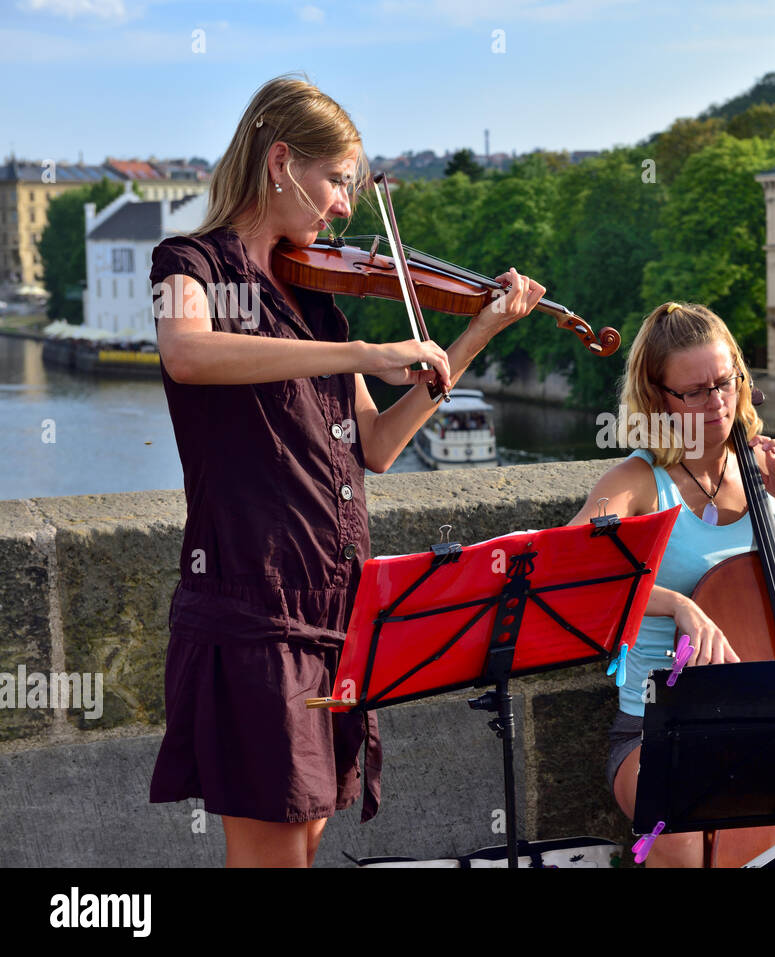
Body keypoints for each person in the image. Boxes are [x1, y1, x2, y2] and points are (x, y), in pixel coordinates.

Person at [148, 74, 546, 867]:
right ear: (281, 161)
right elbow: (186, 351)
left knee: (307, 839)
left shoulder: (315, 300)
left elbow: (379, 445)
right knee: (273, 852)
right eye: (336, 182)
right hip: (255, 609)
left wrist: (471, 338)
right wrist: (366, 351)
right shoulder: (185, 261)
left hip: (336, 610)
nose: (344, 209)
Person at [567, 301, 775, 867]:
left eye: (725, 382)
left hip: (770, 722)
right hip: (658, 727)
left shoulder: (757, 469)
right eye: (695, 391)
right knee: (680, 831)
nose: (718, 402)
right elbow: (572, 578)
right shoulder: (637, 481)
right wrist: (677, 604)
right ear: (658, 398)